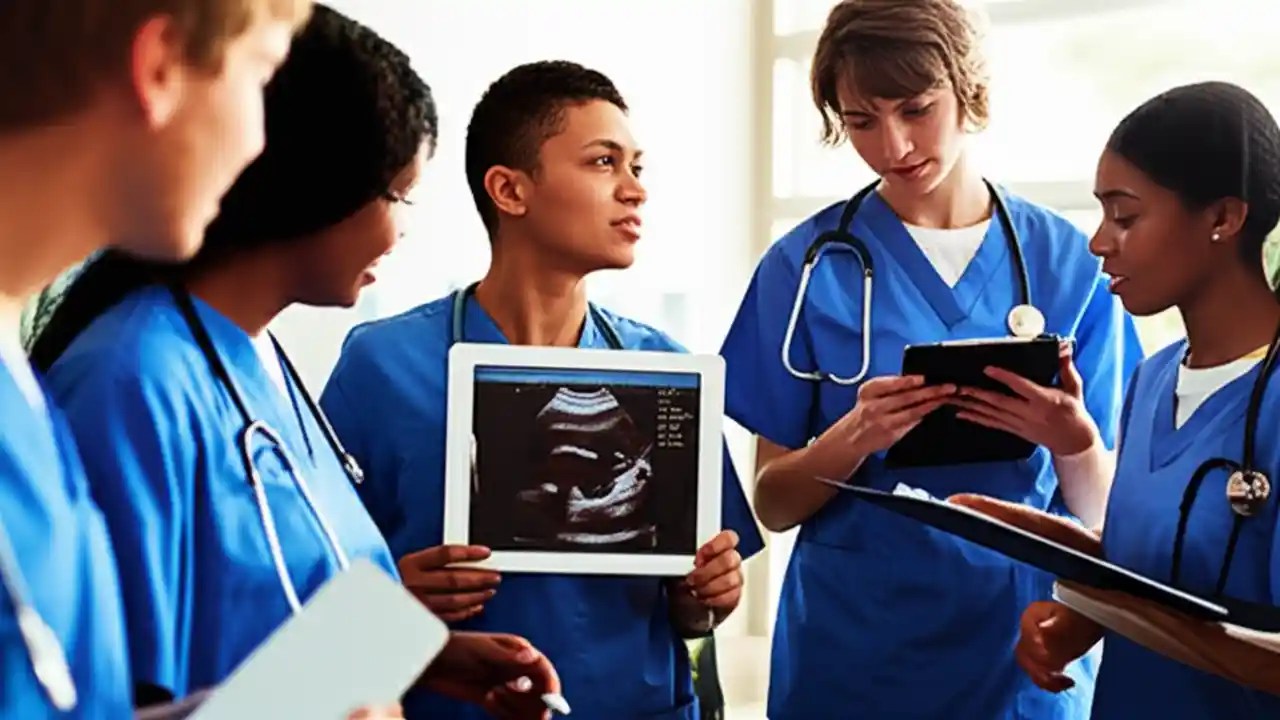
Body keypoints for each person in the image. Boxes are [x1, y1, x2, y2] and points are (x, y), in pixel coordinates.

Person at [30, 6, 560, 718]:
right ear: (318, 176)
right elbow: (117, 694)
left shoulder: (266, 366)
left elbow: (272, 612)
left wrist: (419, 654)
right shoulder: (131, 383)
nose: (402, 231)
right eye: (399, 195)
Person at [716, 1, 1144, 717]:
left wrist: (1070, 439)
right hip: (857, 651)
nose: (894, 145)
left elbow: (1106, 511)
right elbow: (774, 501)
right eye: (861, 122)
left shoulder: (1067, 261)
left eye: (917, 109)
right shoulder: (808, 267)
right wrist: (856, 435)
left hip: (1020, 652)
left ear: (966, 88)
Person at [318, 59, 766, 720]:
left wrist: (708, 595)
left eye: (637, 167)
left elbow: (696, 614)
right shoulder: (381, 367)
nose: (634, 190)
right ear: (509, 189)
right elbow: (308, 597)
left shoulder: (669, 372)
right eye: (603, 162)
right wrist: (391, 597)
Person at [0, 0, 308, 717]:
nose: (260, 140)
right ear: (160, 66)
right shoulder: (119, 369)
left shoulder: (21, 384)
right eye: (260, 74)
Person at [980, 81, 1280, 718]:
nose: (1098, 241)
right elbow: (1149, 566)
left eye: (1125, 216)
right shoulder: (1151, 381)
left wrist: (1117, 609)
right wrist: (1080, 621)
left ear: (1224, 219)